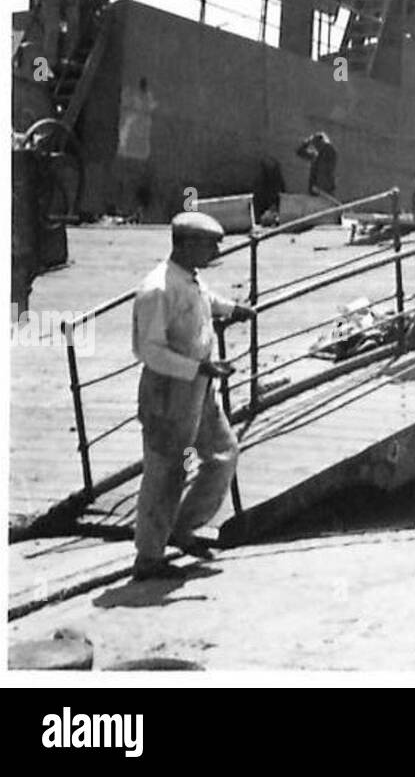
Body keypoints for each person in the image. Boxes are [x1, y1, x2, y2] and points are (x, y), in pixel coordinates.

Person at [130, 211, 254, 580]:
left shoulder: (189, 278)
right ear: (184, 245)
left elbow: (202, 300)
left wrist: (232, 309)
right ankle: (148, 557)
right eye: (209, 245)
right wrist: (197, 368)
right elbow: (148, 350)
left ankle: (183, 527)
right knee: (166, 471)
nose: (215, 252)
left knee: (223, 453)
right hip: (169, 390)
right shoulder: (157, 289)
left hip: (200, 386)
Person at [295, 131, 338, 200]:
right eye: (315, 144)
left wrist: (321, 140)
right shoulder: (315, 156)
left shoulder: (329, 152)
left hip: (326, 190)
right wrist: (307, 142)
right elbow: (300, 152)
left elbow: (329, 149)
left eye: (317, 143)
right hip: (315, 189)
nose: (316, 146)